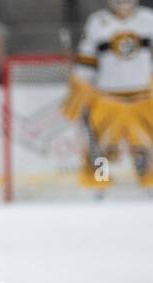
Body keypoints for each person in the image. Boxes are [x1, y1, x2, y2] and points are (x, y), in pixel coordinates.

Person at [63, 0, 153, 193]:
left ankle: (149, 180)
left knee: (144, 143)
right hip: (107, 99)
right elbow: (87, 60)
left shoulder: (149, 19)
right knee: (101, 147)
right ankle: (100, 183)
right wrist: (80, 84)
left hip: (144, 98)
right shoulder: (97, 22)